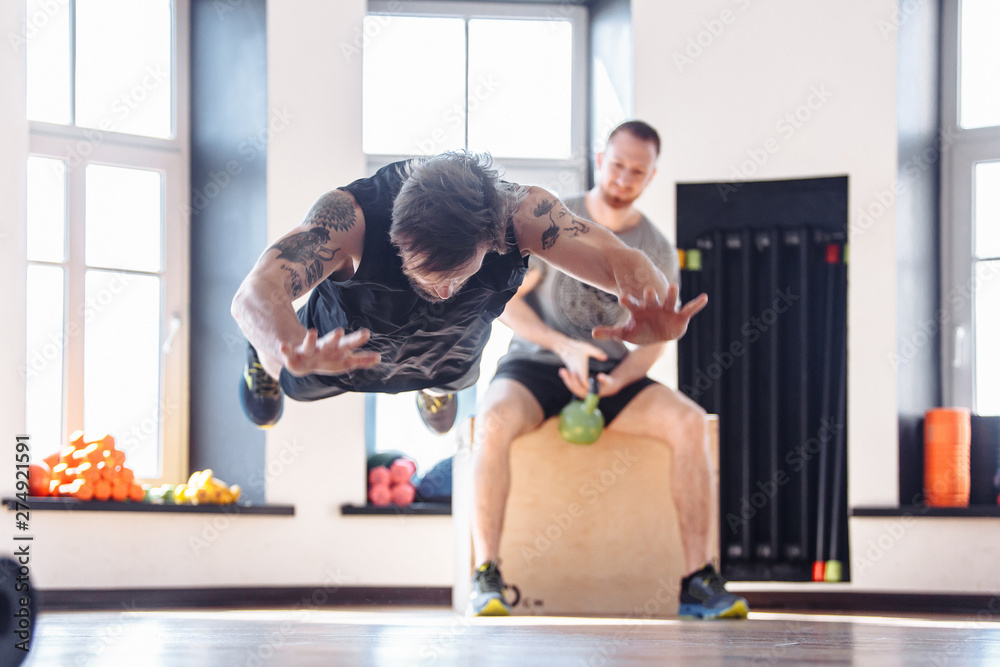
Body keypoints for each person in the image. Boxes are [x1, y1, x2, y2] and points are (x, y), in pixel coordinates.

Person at [468, 121, 748, 620]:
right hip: (538, 364)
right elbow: (503, 304)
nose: (623, 178)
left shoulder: (656, 248)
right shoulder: (554, 220)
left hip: (614, 375)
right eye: (617, 165)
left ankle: (697, 583)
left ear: (651, 176)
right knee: (491, 422)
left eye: (636, 172)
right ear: (601, 161)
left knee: (688, 423)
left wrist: (617, 379)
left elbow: (654, 340)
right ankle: (486, 575)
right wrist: (562, 346)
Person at [232, 151, 708, 441]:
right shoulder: (349, 218)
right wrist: (283, 346)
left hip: (452, 346)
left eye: (452, 274)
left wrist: (647, 290)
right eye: (425, 270)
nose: (439, 287)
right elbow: (256, 291)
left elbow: (608, 252)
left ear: (491, 240)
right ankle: (261, 360)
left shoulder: (520, 214)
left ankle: (433, 389)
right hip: (341, 350)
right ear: (395, 234)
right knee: (294, 383)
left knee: (449, 394)